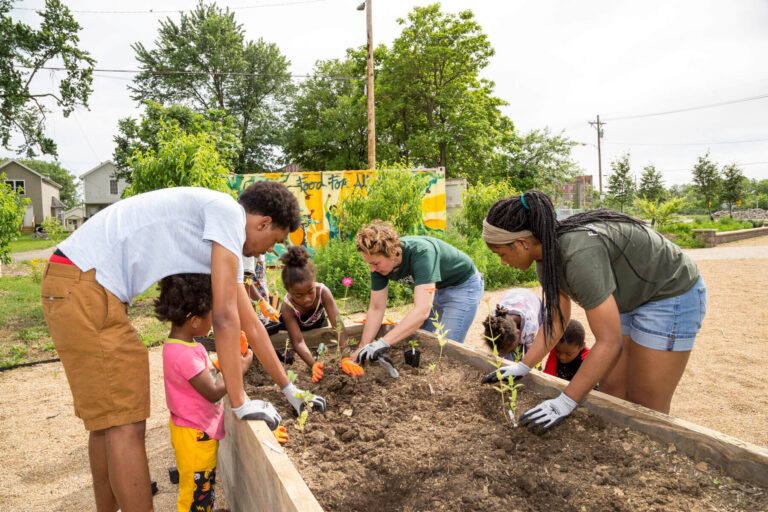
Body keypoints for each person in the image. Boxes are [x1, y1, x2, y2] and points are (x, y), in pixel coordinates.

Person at [40, 182, 325, 512]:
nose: (265, 253)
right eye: (273, 241)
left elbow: (251, 324)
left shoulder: (221, 230)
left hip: (74, 281)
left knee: (109, 423)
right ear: (261, 223)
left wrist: (289, 389)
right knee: (125, 424)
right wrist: (239, 401)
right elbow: (224, 316)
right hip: (84, 286)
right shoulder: (228, 214)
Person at [480, 191, 706, 434]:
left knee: (647, 401)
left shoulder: (578, 255)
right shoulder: (545, 259)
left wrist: (565, 402)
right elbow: (557, 320)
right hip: (628, 294)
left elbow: (610, 341)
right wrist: (523, 366)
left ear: (523, 243)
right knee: (610, 387)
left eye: (502, 254)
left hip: (669, 292)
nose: (503, 262)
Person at [156, 273, 253, 512]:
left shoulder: (180, 345)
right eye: (211, 316)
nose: (213, 322)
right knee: (195, 488)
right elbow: (211, 391)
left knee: (203, 481)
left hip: (192, 429)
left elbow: (203, 373)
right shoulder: (185, 354)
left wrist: (224, 362)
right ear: (195, 321)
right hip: (195, 434)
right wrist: (238, 370)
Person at [352, 221, 485, 373]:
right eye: (369, 264)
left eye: (375, 263)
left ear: (392, 252)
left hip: (462, 286)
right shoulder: (378, 268)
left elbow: (422, 311)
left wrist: (383, 342)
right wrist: (362, 347)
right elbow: (376, 308)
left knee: (446, 348)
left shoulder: (422, 253)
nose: (372, 269)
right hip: (434, 287)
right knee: (419, 342)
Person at [278, 245, 364, 382]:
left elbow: (338, 325)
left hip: (318, 323)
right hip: (296, 329)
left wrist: (346, 356)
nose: (306, 299)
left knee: (320, 346)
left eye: (310, 291)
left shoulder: (323, 292)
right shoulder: (287, 307)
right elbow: (298, 341)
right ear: (287, 290)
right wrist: (313, 365)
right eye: (299, 295)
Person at [482, 288, 542, 360]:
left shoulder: (531, 327)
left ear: (518, 333)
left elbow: (534, 353)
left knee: (531, 351)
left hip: (532, 300)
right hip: (512, 297)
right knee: (509, 356)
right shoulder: (494, 321)